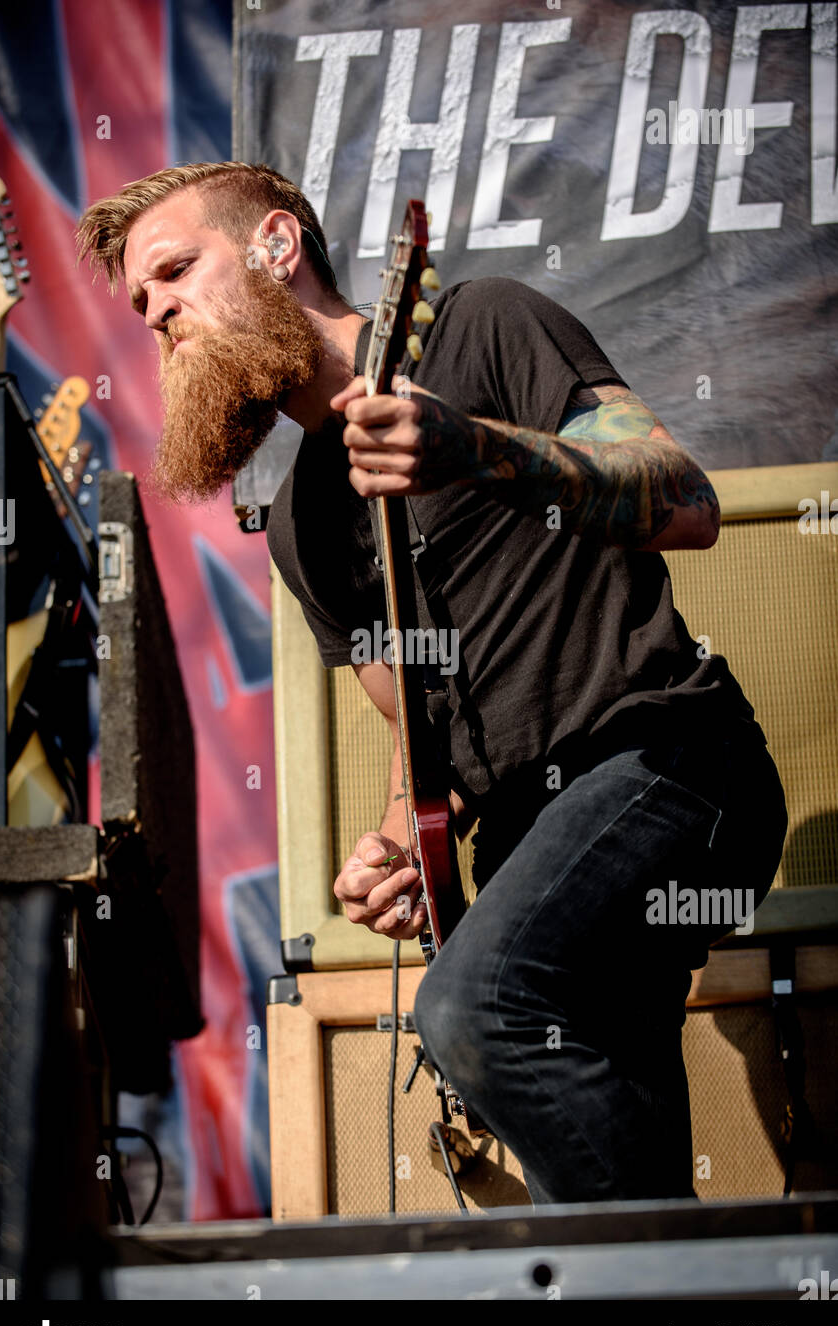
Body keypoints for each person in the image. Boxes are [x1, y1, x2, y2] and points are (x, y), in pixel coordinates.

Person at [77, 160, 788, 1205]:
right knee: (600, 1132)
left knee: (475, 1008)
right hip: (525, 845)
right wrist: (397, 843)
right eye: (143, 306)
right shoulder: (299, 527)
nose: (161, 315)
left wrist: (478, 448)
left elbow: (685, 499)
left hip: (671, 764)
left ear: (278, 245)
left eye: (176, 271)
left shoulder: (482, 327)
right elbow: (422, 735)